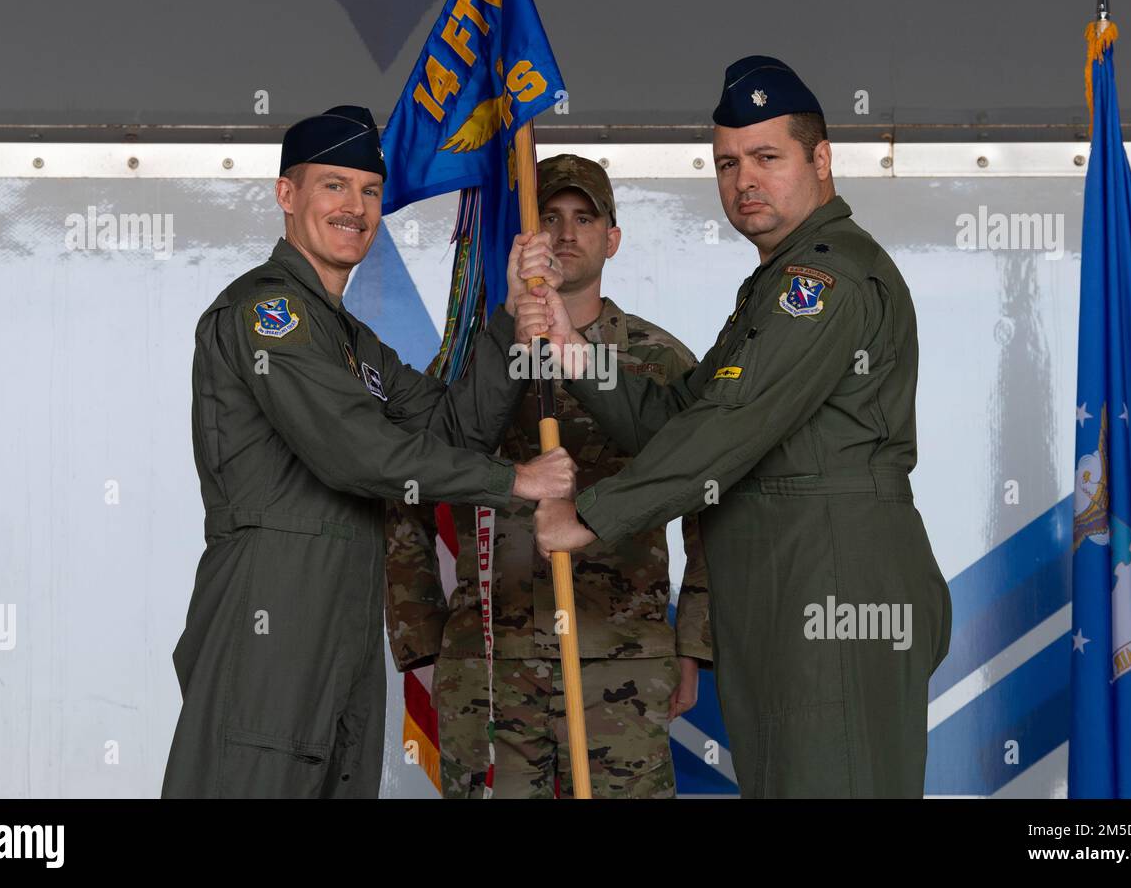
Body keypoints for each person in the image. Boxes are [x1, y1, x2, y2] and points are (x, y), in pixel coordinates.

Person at [529, 58, 953, 798]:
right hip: (787, 583)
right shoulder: (776, 281)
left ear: (820, 160)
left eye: (766, 158)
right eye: (728, 163)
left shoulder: (823, 281)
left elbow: (729, 425)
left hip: (833, 583)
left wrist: (589, 518)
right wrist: (574, 351)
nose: (744, 181)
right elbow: (681, 414)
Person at [162, 105, 575, 798]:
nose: (355, 207)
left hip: (345, 610)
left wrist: (507, 323)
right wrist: (515, 481)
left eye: (369, 191)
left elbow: (446, 429)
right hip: (273, 603)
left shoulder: (350, 340)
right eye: (333, 185)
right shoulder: (271, 314)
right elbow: (356, 453)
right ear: (287, 195)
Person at [385, 154, 712, 798]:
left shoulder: (659, 361)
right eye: (549, 218)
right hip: (488, 660)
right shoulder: (471, 360)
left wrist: (692, 642)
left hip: (620, 651)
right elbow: (409, 487)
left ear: (611, 238)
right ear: (523, 240)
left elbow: (706, 501)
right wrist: (422, 641)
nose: (564, 234)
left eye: (584, 217)